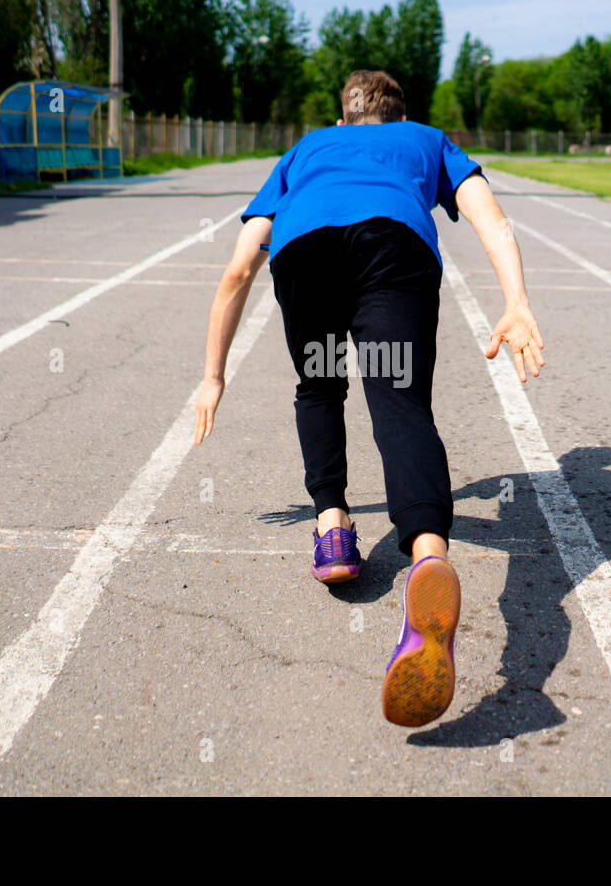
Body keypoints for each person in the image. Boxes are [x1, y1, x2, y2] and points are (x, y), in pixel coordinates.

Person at [194, 70, 544, 727]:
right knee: (399, 401)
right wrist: (517, 303)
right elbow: (488, 216)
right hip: (392, 250)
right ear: (400, 113)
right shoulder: (427, 138)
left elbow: (240, 264)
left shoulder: (309, 147)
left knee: (319, 386)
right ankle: (429, 559)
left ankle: (331, 528)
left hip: (306, 254)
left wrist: (213, 375)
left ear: (343, 116)